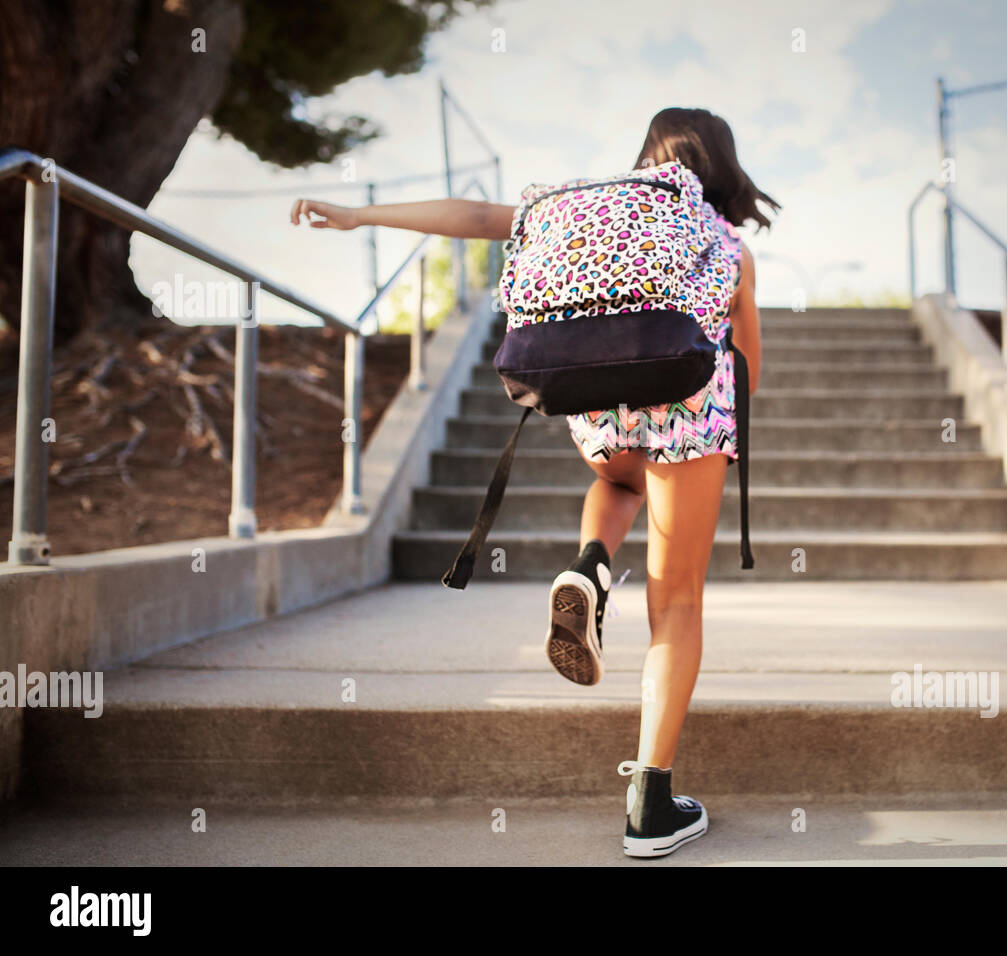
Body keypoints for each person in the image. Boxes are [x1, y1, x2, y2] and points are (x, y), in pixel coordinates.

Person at [290, 107, 777, 857]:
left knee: (619, 486)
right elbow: (744, 368)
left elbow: (478, 214)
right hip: (685, 412)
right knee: (676, 602)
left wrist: (359, 214)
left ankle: (590, 565)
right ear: (720, 164)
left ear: (647, 155)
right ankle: (651, 802)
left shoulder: (577, 205)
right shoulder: (724, 243)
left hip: (597, 405)